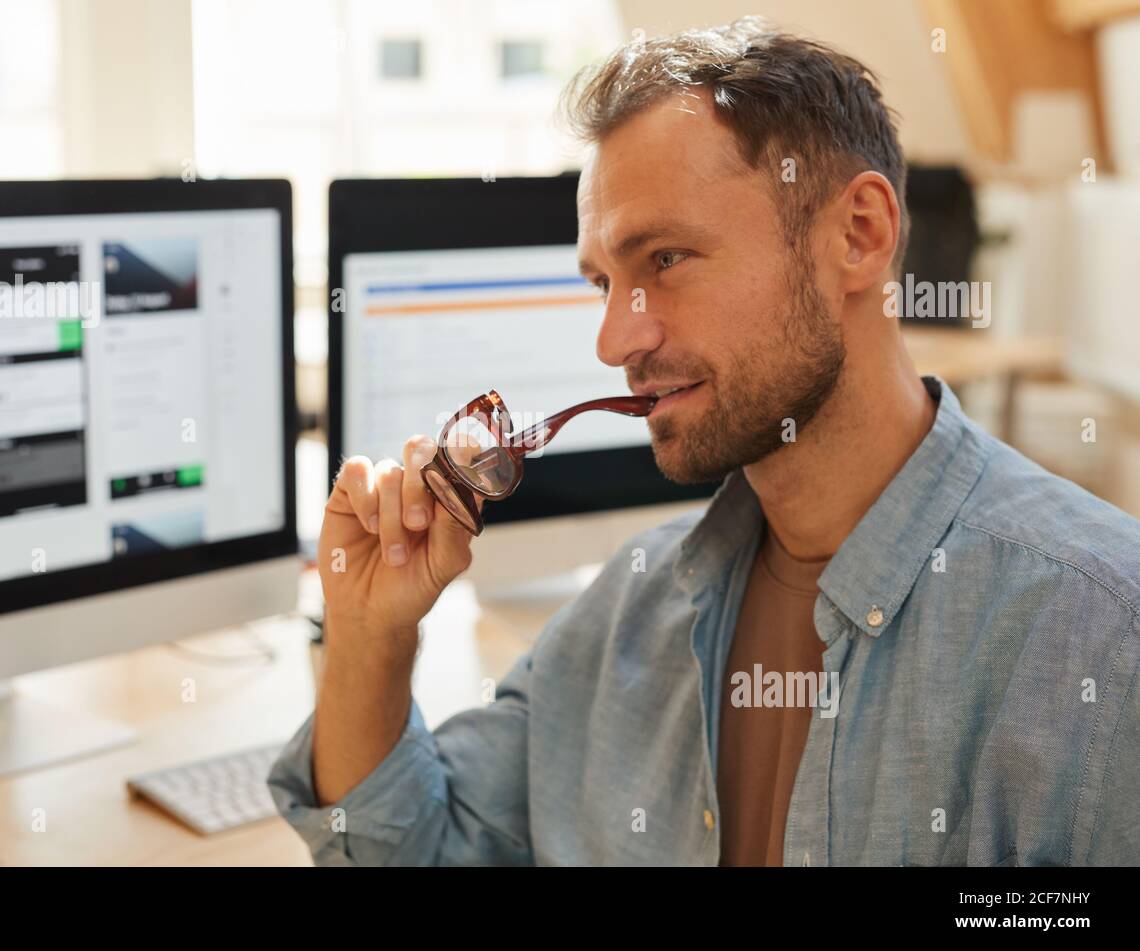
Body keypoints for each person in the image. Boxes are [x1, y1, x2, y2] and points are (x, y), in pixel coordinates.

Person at [269, 18, 1140, 865]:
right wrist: (369, 639)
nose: (614, 341)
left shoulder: (1103, 639)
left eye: (666, 260)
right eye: (604, 281)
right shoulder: (626, 615)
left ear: (858, 235)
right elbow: (408, 847)